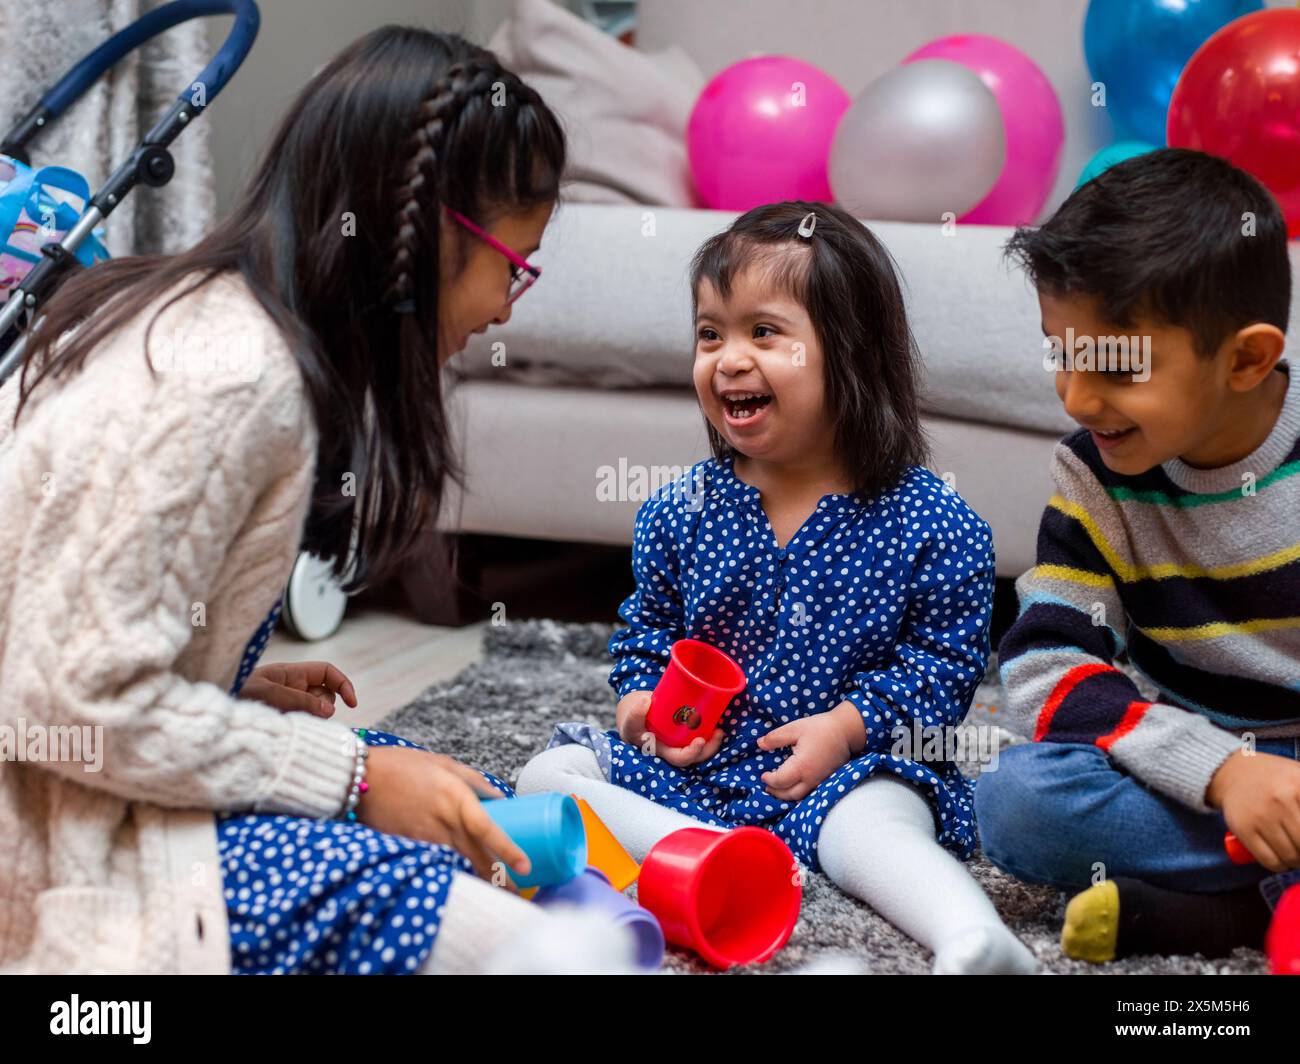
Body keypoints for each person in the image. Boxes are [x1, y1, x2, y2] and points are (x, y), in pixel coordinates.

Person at [518, 201, 1037, 974]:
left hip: (844, 776)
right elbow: (647, 630)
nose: (727, 358)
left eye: (763, 332)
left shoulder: (933, 521)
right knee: (546, 775)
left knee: (882, 825)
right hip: (697, 775)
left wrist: (846, 728)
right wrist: (642, 705)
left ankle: (973, 935)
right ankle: (718, 858)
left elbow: (945, 666)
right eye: (709, 333)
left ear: (852, 353)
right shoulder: (681, 508)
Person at [976, 147, 1300, 964]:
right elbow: (1047, 665)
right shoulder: (1093, 475)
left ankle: (1220, 912)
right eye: (1061, 352)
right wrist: (1222, 772)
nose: (1078, 398)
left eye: (1116, 366)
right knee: (1015, 802)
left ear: (1246, 360)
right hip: (1193, 755)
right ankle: (1271, 891)